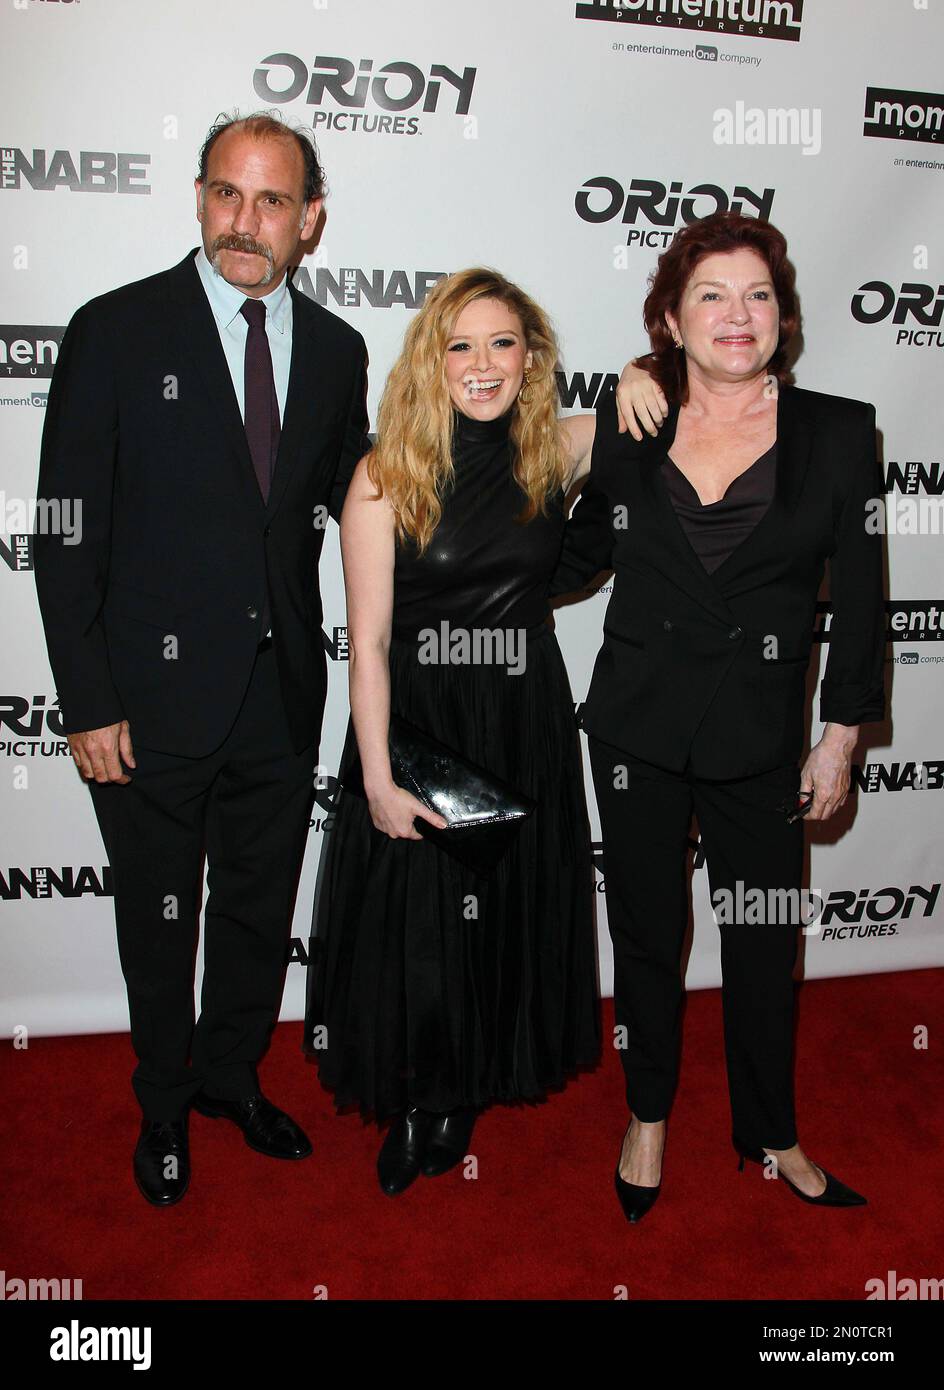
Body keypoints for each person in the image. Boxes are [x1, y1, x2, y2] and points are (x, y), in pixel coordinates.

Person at [34, 112, 371, 1206]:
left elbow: (350, 501)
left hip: (278, 696)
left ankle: (231, 1077)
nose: (245, 221)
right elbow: (66, 528)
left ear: (308, 221)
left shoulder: (335, 350)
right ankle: (164, 1104)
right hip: (146, 700)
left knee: (255, 911)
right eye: (227, 193)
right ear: (196, 197)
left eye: (272, 201)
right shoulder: (117, 329)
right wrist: (86, 699)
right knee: (158, 917)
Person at [550, 211, 886, 1221]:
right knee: (649, 934)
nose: (735, 315)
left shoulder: (836, 432)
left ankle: (769, 1129)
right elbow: (569, 561)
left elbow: (862, 596)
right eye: (710, 295)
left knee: (760, 936)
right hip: (635, 732)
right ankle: (646, 1112)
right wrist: (460, 561)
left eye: (756, 296)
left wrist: (840, 733)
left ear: (779, 319)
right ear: (669, 318)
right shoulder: (629, 427)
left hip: (757, 739)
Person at [304, 268, 605, 1195]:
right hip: (423, 720)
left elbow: (688, 397)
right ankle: (420, 1098)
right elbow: (370, 644)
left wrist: (643, 376)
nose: (483, 364)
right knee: (419, 926)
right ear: (432, 359)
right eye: (460, 345)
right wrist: (379, 774)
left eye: (503, 343)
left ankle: (469, 1082)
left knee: (502, 914)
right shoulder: (385, 472)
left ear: (533, 357)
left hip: (523, 716)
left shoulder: (559, 448)